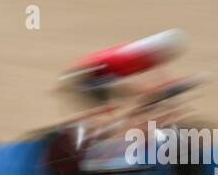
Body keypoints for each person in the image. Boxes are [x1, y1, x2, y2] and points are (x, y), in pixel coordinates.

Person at [57, 29, 188, 132]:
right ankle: (90, 129)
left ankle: (97, 127)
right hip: (89, 77)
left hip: (93, 77)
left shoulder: (146, 53)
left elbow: (162, 81)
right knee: (134, 99)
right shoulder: (141, 54)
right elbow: (154, 86)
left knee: (134, 99)